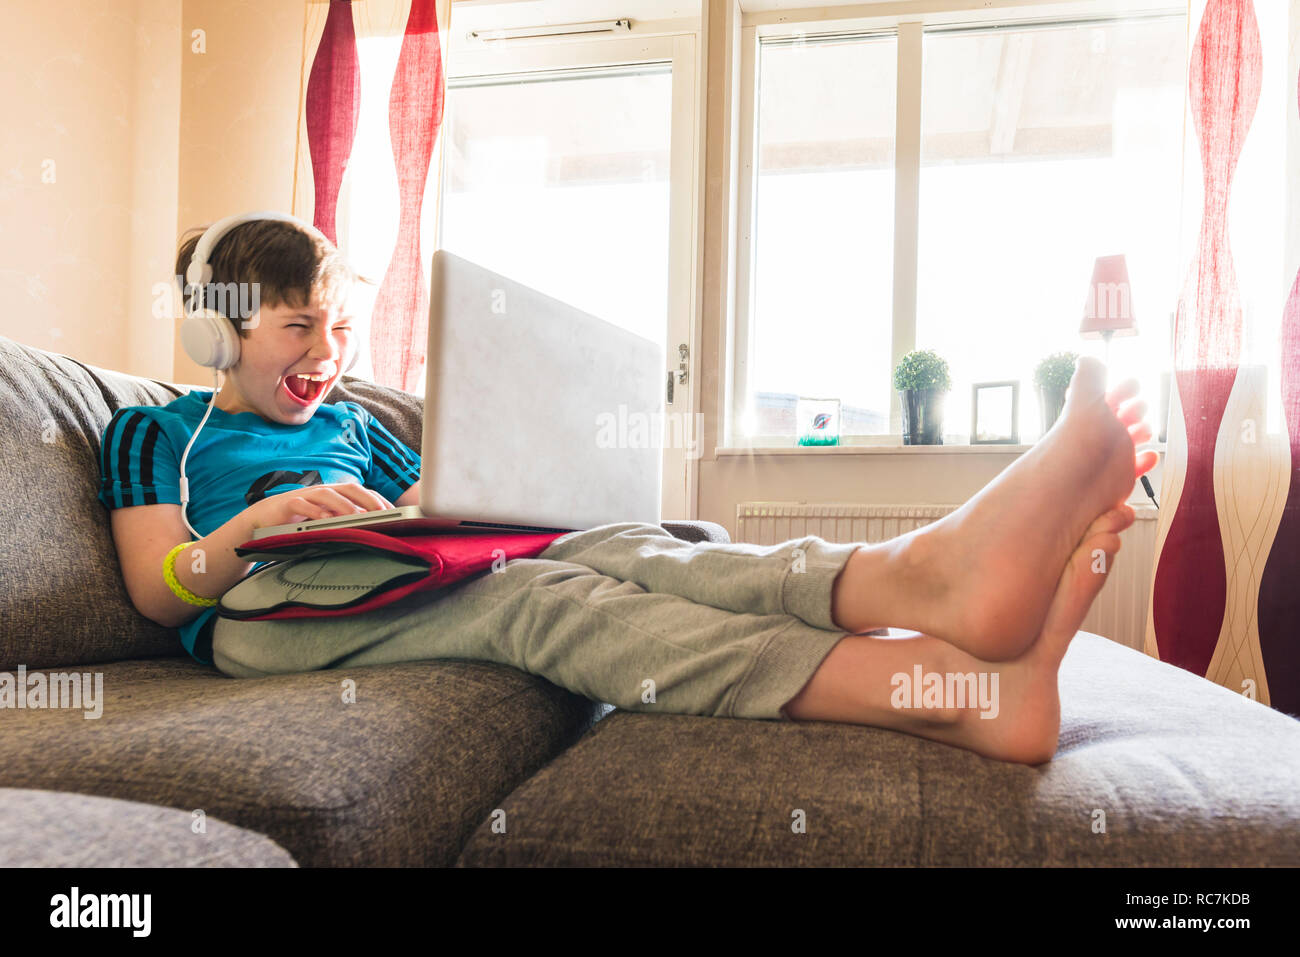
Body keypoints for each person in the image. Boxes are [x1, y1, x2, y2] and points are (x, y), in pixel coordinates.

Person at [99, 218, 1157, 766]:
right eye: (297, 329)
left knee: (627, 548)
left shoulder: (359, 424)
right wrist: (249, 528)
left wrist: (479, 492)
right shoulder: (158, 432)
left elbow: (425, 509)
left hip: (376, 575)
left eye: (338, 328)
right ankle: (931, 670)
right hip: (259, 611)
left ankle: (925, 596)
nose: (328, 353)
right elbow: (159, 591)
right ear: (217, 335)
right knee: (538, 604)